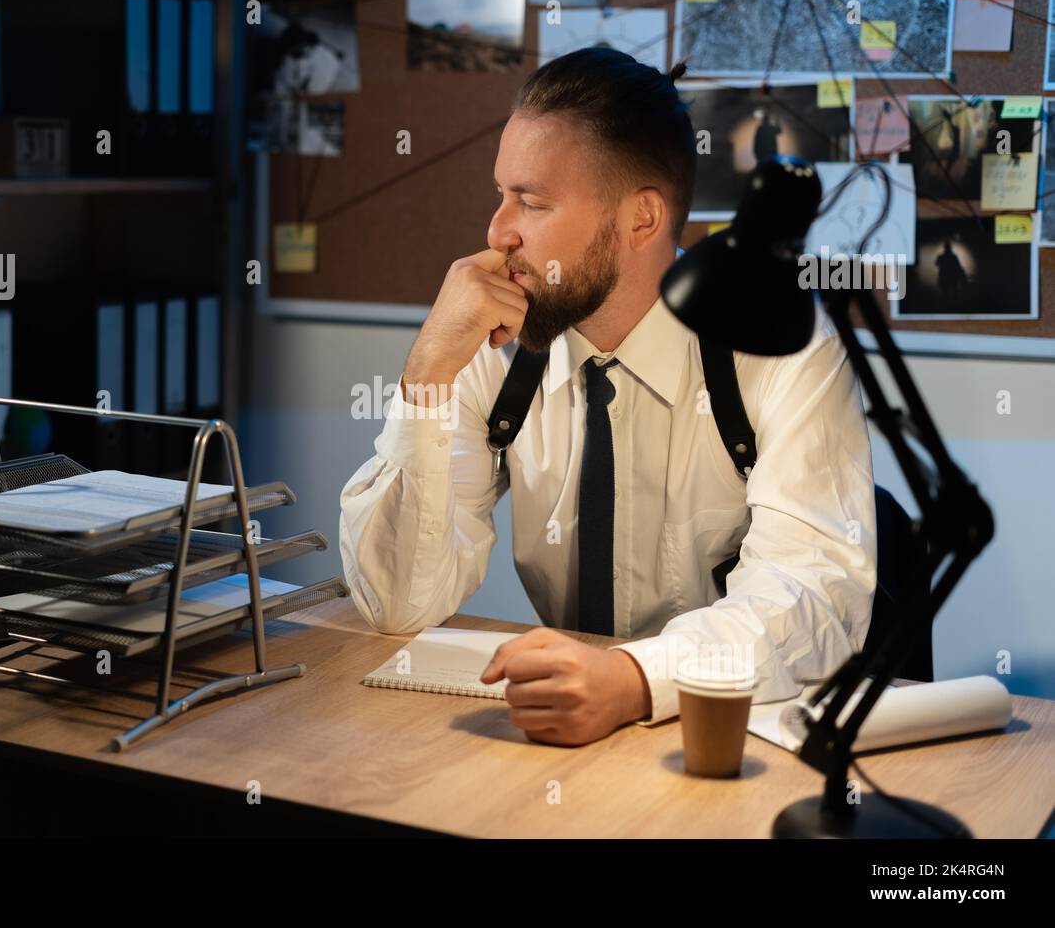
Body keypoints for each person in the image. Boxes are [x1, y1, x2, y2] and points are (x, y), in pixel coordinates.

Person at [339, 48, 877, 746]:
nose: (498, 231)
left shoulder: (778, 346)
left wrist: (629, 681)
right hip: (564, 741)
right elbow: (398, 605)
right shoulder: (492, 341)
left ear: (642, 221)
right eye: (502, 195)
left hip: (726, 734)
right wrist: (427, 375)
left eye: (531, 201)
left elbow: (813, 595)